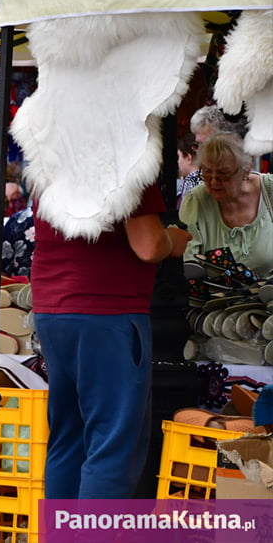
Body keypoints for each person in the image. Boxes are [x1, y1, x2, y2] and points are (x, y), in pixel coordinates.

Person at [31, 184, 191, 499]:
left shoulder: (51, 146)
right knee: (112, 447)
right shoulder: (126, 156)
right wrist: (173, 239)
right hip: (107, 309)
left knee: (68, 439)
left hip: (53, 307)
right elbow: (148, 244)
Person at [179, 132, 273, 278]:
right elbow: (189, 264)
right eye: (207, 173)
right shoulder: (196, 201)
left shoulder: (269, 190)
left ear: (245, 170)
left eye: (223, 174)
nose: (214, 182)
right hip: (216, 299)